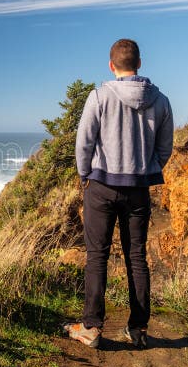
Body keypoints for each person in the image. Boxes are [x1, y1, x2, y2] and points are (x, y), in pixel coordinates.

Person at [63, 38, 173, 349]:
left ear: (112, 66)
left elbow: (84, 141)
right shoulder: (161, 101)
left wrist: (85, 174)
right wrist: (146, 169)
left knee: (96, 256)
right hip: (138, 189)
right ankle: (138, 329)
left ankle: (91, 327)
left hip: (102, 187)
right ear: (139, 63)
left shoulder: (99, 97)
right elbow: (165, 148)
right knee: (136, 258)